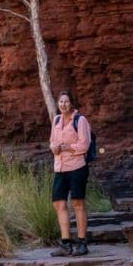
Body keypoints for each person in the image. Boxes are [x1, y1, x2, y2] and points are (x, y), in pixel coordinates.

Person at [48, 90, 91, 256]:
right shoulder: (57, 120)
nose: (63, 104)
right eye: (61, 102)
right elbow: (52, 141)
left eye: (66, 101)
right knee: (58, 203)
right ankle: (65, 243)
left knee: (78, 204)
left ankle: (82, 242)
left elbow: (84, 145)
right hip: (60, 168)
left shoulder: (80, 121)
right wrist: (54, 148)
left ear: (71, 103)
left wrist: (68, 148)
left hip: (77, 167)